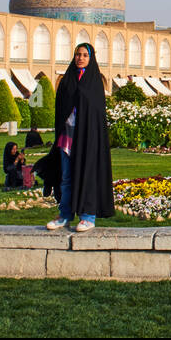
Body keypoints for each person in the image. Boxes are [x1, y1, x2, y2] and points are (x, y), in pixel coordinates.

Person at [44, 43, 115, 232]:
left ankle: (87, 216)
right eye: (77, 54)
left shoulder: (94, 83)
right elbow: (61, 108)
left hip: (88, 139)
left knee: (87, 176)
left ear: (91, 58)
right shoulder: (67, 80)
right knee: (66, 177)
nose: (80, 58)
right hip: (67, 137)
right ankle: (65, 215)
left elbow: (96, 112)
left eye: (84, 55)